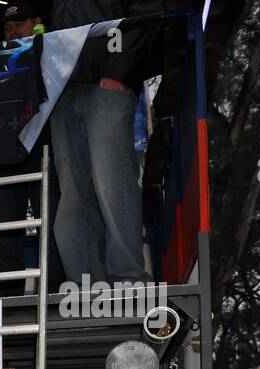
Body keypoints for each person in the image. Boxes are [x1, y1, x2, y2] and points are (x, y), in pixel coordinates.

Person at [48, 0, 162, 284]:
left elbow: (148, 8)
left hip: (107, 80)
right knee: (72, 196)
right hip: (62, 88)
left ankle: (128, 279)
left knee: (112, 182)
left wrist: (118, 71)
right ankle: (86, 285)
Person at [0, 2, 51, 297]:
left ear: (36, 22)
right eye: (7, 27)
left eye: (19, 24)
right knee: (4, 229)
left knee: (49, 223)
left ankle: (55, 291)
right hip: (3, 151)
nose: (12, 31)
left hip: (43, 148)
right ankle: (5, 296)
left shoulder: (51, 51)